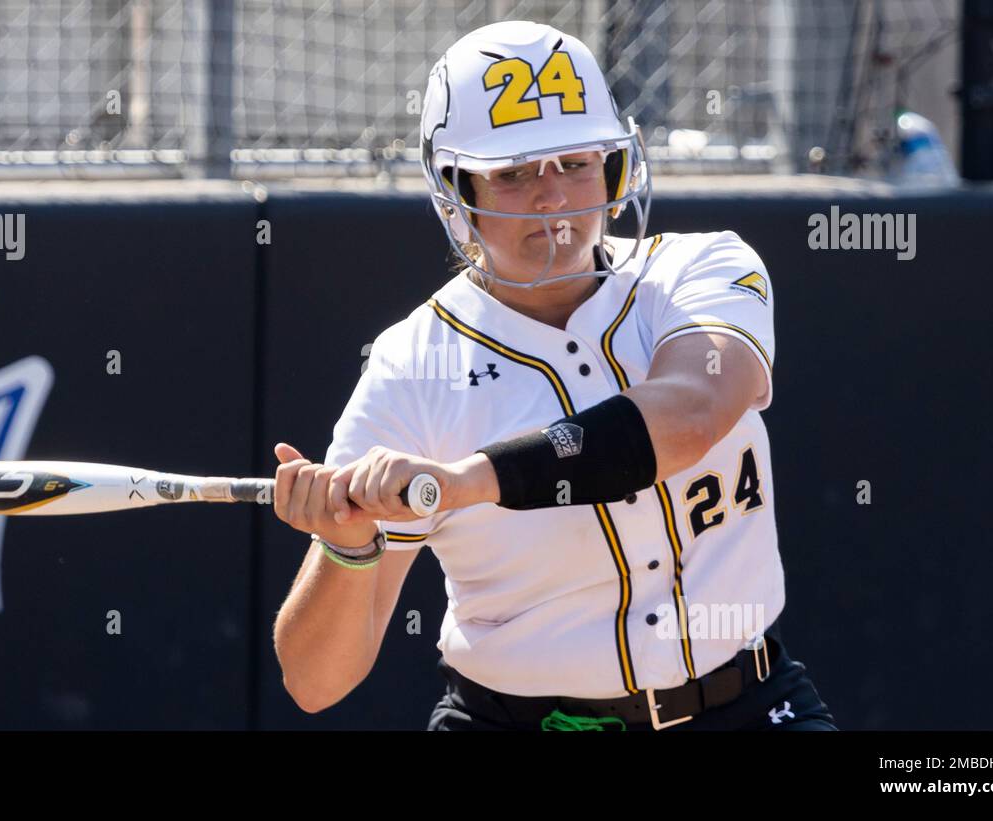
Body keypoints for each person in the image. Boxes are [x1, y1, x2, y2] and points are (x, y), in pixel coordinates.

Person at [271, 20, 836, 731]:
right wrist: (346, 547)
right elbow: (315, 680)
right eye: (511, 173)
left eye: (573, 161)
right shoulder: (412, 366)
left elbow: (690, 415)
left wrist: (465, 481)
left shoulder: (702, 268)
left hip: (748, 705)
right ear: (454, 188)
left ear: (614, 165)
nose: (552, 198)